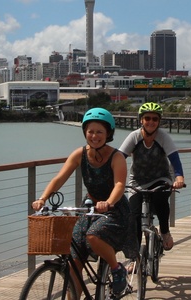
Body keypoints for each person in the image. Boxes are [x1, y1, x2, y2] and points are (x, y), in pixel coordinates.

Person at [31, 107, 135, 295]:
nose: (94, 136)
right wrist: (42, 198)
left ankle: (116, 269)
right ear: (85, 132)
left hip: (114, 209)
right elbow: (59, 179)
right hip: (90, 207)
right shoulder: (79, 154)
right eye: (90, 131)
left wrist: (108, 202)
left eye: (99, 132)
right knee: (73, 257)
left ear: (108, 133)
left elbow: (119, 184)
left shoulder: (116, 156)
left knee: (93, 236)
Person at [118, 102, 185, 251]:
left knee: (160, 199)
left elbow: (175, 160)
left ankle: (165, 231)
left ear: (159, 121)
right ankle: (134, 258)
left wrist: (179, 178)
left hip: (160, 178)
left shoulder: (163, 137)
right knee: (133, 217)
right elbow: (119, 158)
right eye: (147, 118)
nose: (151, 122)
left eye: (155, 119)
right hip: (137, 181)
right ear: (141, 120)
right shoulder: (134, 137)